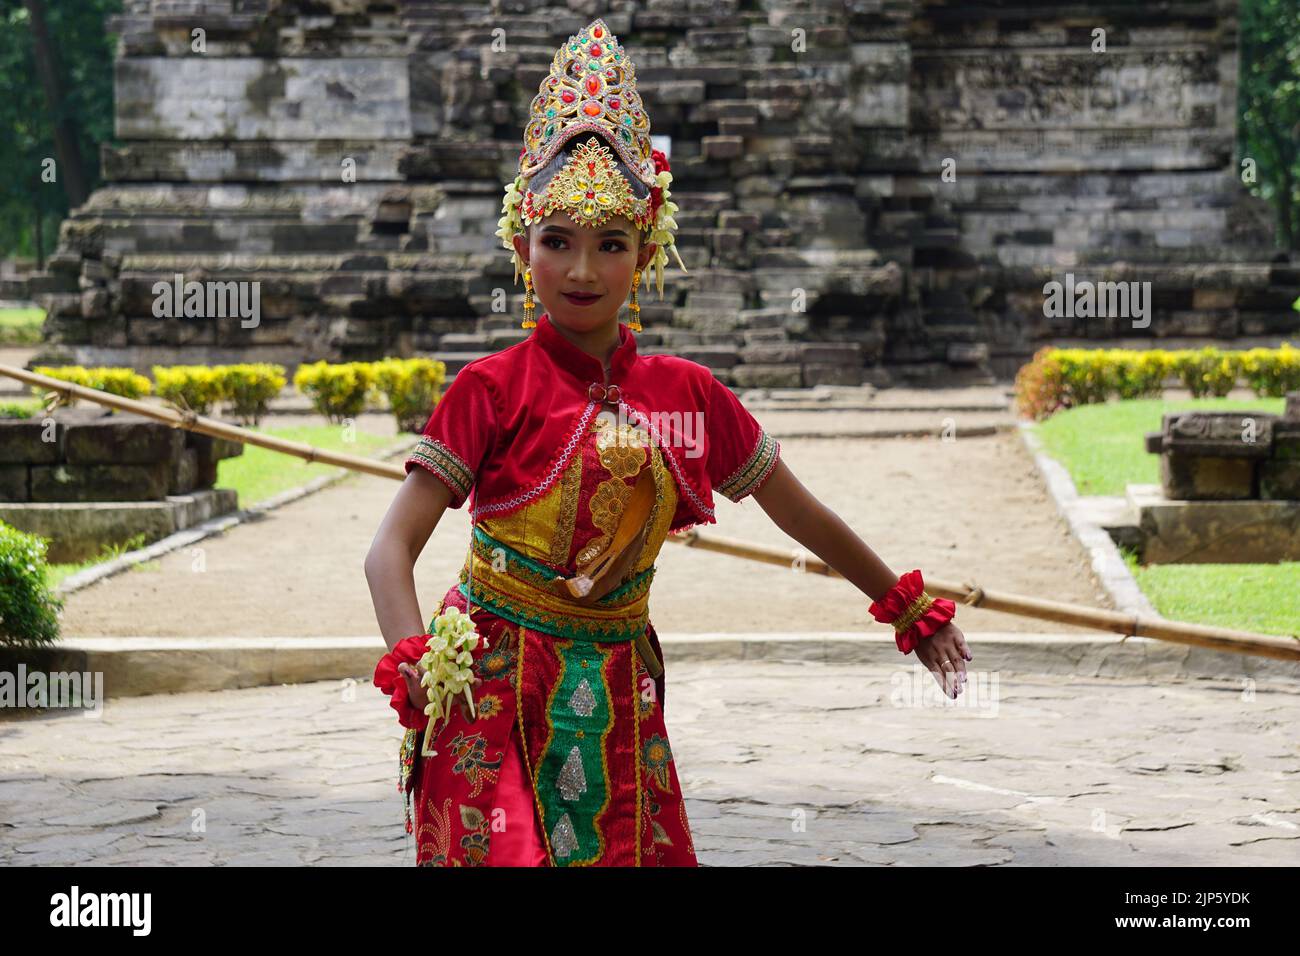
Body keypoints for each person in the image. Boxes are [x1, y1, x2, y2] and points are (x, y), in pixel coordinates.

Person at [365, 18, 972, 867]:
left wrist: (907, 610)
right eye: (558, 243)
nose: (582, 271)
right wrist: (419, 668)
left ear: (647, 251)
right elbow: (389, 549)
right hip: (491, 689)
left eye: (611, 245)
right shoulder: (490, 389)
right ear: (520, 245)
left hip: (616, 689)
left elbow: (800, 513)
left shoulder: (687, 396)